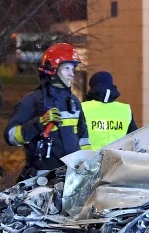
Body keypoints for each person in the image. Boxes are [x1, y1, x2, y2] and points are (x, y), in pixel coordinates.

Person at [6, 43, 89, 178]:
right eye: (66, 68)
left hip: (71, 176)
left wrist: (85, 165)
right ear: (53, 70)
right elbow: (11, 137)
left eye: (73, 68)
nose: (72, 73)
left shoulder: (74, 101)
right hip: (42, 177)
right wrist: (39, 123)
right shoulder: (32, 101)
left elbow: (83, 137)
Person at [81, 71, 136, 151]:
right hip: (118, 157)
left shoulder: (83, 107)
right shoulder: (125, 109)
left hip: (90, 157)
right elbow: (134, 138)